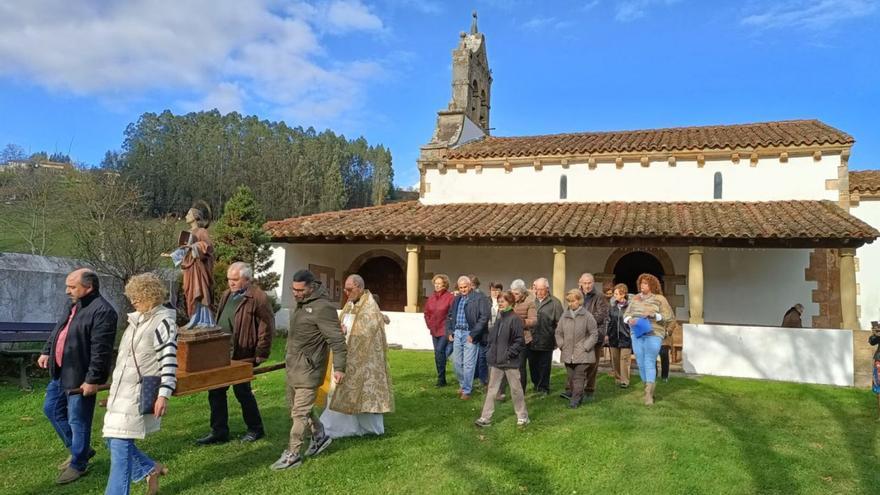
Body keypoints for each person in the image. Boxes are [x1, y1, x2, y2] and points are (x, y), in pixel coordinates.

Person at [38, 268, 118, 485]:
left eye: (72, 287)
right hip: (61, 371)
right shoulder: (73, 304)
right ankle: (81, 450)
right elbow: (59, 330)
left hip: (81, 376)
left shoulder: (103, 311)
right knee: (51, 409)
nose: (67, 291)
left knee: (78, 419)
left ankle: (78, 464)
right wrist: (47, 350)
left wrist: (92, 380)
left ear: (89, 287)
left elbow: (101, 350)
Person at [102, 273, 178, 495]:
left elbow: (169, 359)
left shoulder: (163, 321)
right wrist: (113, 393)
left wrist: (164, 394)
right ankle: (150, 468)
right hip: (122, 392)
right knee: (112, 439)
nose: (133, 300)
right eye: (131, 296)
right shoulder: (135, 321)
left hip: (138, 394)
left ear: (151, 295)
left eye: (137, 295)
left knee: (119, 447)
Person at [271, 269, 348, 471]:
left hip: (309, 370)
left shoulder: (323, 308)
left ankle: (292, 454)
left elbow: (338, 340)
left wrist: (339, 368)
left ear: (311, 287)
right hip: (294, 367)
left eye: (299, 290)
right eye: (293, 289)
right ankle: (320, 436)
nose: (295, 293)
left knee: (299, 414)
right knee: (296, 410)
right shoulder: (302, 305)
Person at [197, 262, 274, 445]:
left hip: (243, 353)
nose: (230, 283)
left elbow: (267, 326)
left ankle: (256, 429)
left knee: (243, 392)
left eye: (235, 279)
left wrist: (261, 353)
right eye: (229, 279)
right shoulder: (227, 295)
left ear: (247, 279)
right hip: (222, 353)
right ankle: (219, 431)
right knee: (215, 391)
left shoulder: (258, 297)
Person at [321, 275, 394, 438]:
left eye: (349, 289)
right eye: (345, 289)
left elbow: (367, 332)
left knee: (363, 394)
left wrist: (348, 331)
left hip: (364, 360)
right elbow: (345, 322)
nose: (346, 293)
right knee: (338, 390)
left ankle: (365, 428)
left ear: (360, 288)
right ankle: (339, 427)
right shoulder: (350, 304)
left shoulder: (369, 307)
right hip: (346, 354)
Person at [474, 291, 529, 427]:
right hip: (496, 362)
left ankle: (522, 417)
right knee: (492, 390)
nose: (500, 304)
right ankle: (485, 418)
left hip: (510, 362)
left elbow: (519, 341)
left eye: (503, 301)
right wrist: (490, 353)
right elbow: (492, 340)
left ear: (510, 303)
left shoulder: (515, 319)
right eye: (499, 302)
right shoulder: (500, 319)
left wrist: (508, 353)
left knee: (516, 390)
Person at [623, 273, 674, 406]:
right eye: (641, 283)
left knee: (649, 361)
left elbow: (668, 317)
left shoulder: (660, 299)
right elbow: (626, 314)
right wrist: (630, 320)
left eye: (645, 283)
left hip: (654, 332)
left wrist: (654, 314)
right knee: (640, 361)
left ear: (652, 285)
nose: (642, 286)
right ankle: (647, 386)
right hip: (637, 333)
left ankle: (648, 394)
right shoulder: (634, 299)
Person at [561, 273, 609, 402]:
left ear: (593, 283)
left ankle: (589, 390)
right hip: (575, 337)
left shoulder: (599, 297)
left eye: (590, 283)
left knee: (592, 364)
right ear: (580, 283)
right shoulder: (575, 295)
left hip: (594, 335)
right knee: (573, 363)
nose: (587, 286)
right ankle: (571, 390)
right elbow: (568, 312)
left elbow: (601, 315)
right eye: (585, 283)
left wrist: (583, 323)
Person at [445, 275, 489, 400]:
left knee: (469, 363)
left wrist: (473, 334)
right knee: (456, 362)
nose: (463, 289)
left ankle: (466, 390)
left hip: (470, 334)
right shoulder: (457, 298)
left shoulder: (479, 298)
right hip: (457, 333)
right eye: (461, 287)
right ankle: (463, 384)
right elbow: (449, 316)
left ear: (470, 286)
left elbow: (484, 317)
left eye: (465, 287)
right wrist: (449, 331)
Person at [555, 289, 598, 408]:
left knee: (579, 377)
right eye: (568, 301)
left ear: (579, 301)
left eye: (573, 301)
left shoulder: (587, 316)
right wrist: (561, 344)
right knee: (571, 377)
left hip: (583, 354)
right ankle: (577, 395)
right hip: (568, 352)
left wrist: (586, 347)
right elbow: (558, 333)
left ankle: (575, 401)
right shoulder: (564, 315)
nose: (570, 304)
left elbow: (594, 334)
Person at [179, 203, 215, 327]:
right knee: (189, 292)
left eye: (188, 214)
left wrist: (194, 246)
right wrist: (172, 255)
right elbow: (183, 252)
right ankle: (193, 318)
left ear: (195, 216)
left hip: (199, 269)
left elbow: (208, 247)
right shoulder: (187, 232)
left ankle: (204, 320)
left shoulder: (202, 231)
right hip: (189, 269)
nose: (186, 216)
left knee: (199, 292)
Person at [530, 278, 563, 395]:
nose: (538, 292)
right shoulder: (531, 300)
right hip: (531, 339)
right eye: (536, 289)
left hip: (547, 338)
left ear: (547, 289)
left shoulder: (555, 303)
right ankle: (536, 384)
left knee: (544, 365)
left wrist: (557, 340)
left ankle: (544, 387)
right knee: (533, 364)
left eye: (541, 289)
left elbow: (559, 323)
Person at [424, 274, 455, 387]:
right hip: (434, 329)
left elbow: (452, 314)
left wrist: (450, 329)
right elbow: (426, 313)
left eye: (439, 283)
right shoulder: (431, 297)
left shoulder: (450, 297)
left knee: (439, 351)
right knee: (438, 354)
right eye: (435, 283)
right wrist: (429, 324)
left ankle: (441, 379)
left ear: (444, 285)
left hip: (444, 329)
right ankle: (442, 378)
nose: (437, 285)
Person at [510, 279, 537, 391]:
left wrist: (521, 322)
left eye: (516, 294)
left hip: (523, 339)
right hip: (509, 338)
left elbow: (534, 321)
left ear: (523, 293)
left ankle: (521, 392)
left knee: (520, 366)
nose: (514, 296)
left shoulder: (530, 302)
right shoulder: (509, 300)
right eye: (512, 293)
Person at [607, 283, 633, 388]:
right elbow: (608, 321)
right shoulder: (612, 308)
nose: (614, 296)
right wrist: (607, 334)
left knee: (625, 360)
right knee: (616, 360)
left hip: (626, 337)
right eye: (614, 293)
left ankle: (624, 381)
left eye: (616, 293)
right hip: (613, 337)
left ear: (623, 294)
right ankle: (618, 379)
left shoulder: (629, 308)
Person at [469, 274, 491, 388]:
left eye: (472, 285)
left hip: (481, 332)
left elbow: (484, 317)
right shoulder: (467, 296)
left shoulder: (481, 297)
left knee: (482, 357)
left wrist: (476, 330)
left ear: (476, 285)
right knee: (471, 357)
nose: (470, 287)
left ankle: (483, 380)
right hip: (471, 332)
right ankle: (472, 378)